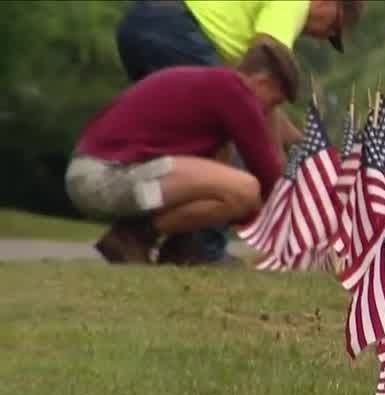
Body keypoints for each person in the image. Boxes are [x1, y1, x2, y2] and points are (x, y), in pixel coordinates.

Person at [113, 0, 364, 264]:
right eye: (333, 28)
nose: (324, 37)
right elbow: (266, 72)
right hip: (174, 28)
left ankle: (145, 237)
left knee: (186, 144)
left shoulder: (233, 32)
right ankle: (200, 249)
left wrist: (304, 143)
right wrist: (275, 163)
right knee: (238, 141)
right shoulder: (295, 5)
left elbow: (263, 92)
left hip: (140, 23)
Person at [65, 38, 301, 265]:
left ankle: (180, 247)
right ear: (263, 81)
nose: (269, 113)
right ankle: (133, 237)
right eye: (274, 102)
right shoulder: (234, 90)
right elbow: (268, 174)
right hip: (102, 178)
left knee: (227, 166)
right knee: (245, 190)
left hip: (101, 175)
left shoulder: (216, 87)